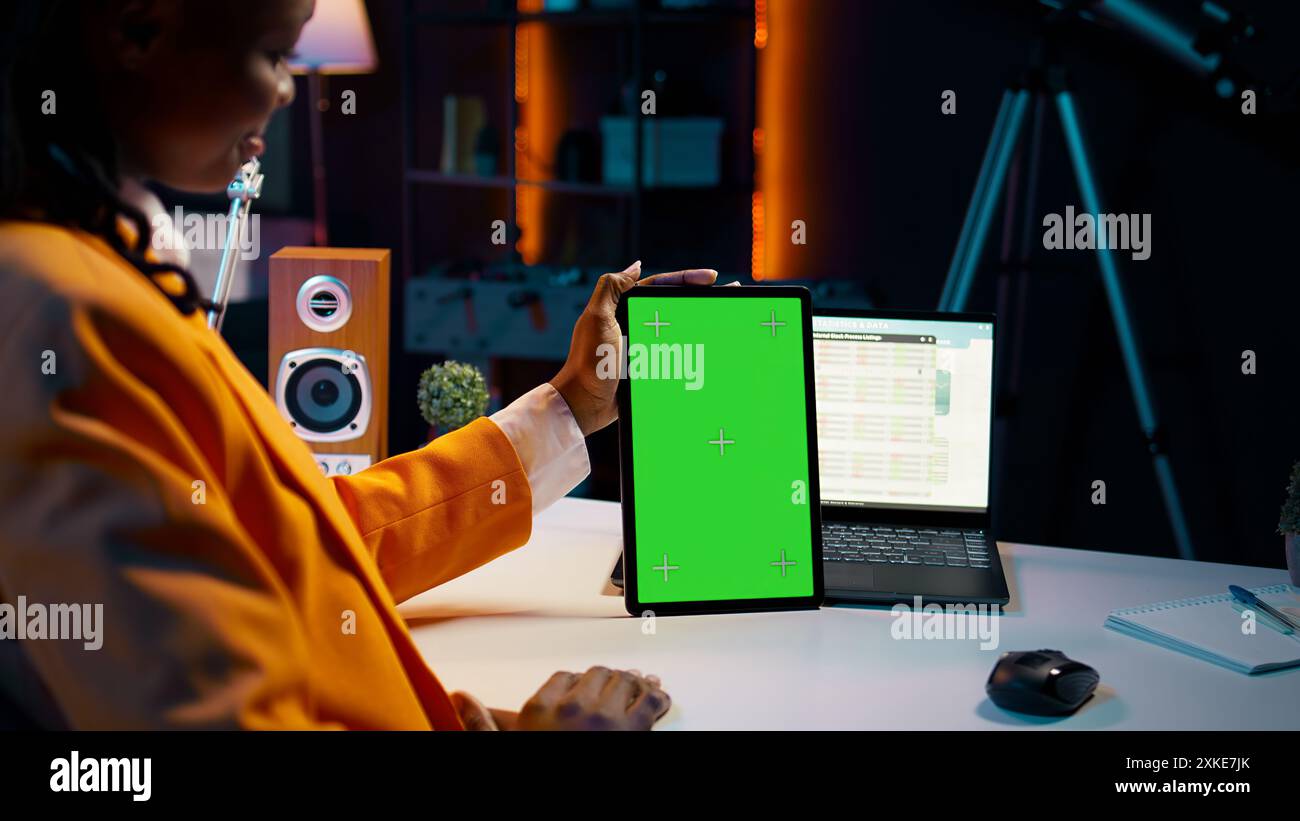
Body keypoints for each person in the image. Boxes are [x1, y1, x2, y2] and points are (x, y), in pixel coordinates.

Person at [0, 0, 719, 730]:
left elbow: (302, 541)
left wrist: (572, 405)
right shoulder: (61, 316)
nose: (287, 90)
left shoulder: (80, 270)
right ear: (134, 30)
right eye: (275, 56)